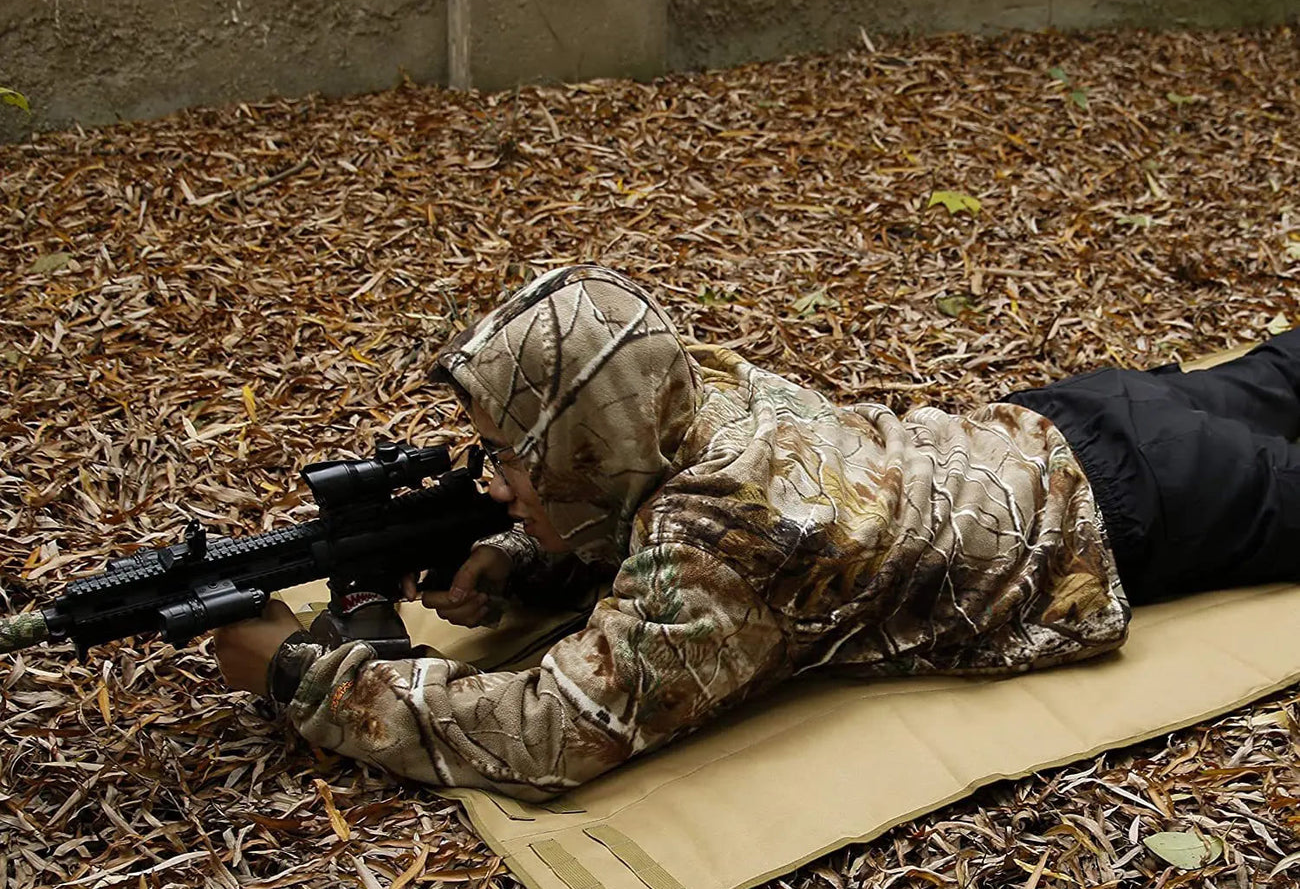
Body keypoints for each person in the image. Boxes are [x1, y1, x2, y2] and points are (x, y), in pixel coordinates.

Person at [214, 265, 1300, 800]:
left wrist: (307, 678)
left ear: (590, 447)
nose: (497, 482)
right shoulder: (698, 395)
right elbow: (641, 518)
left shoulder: (717, 548)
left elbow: (547, 731)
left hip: (1134, 502)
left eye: (517, 457)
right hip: (1071, 421)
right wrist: (536, 561)